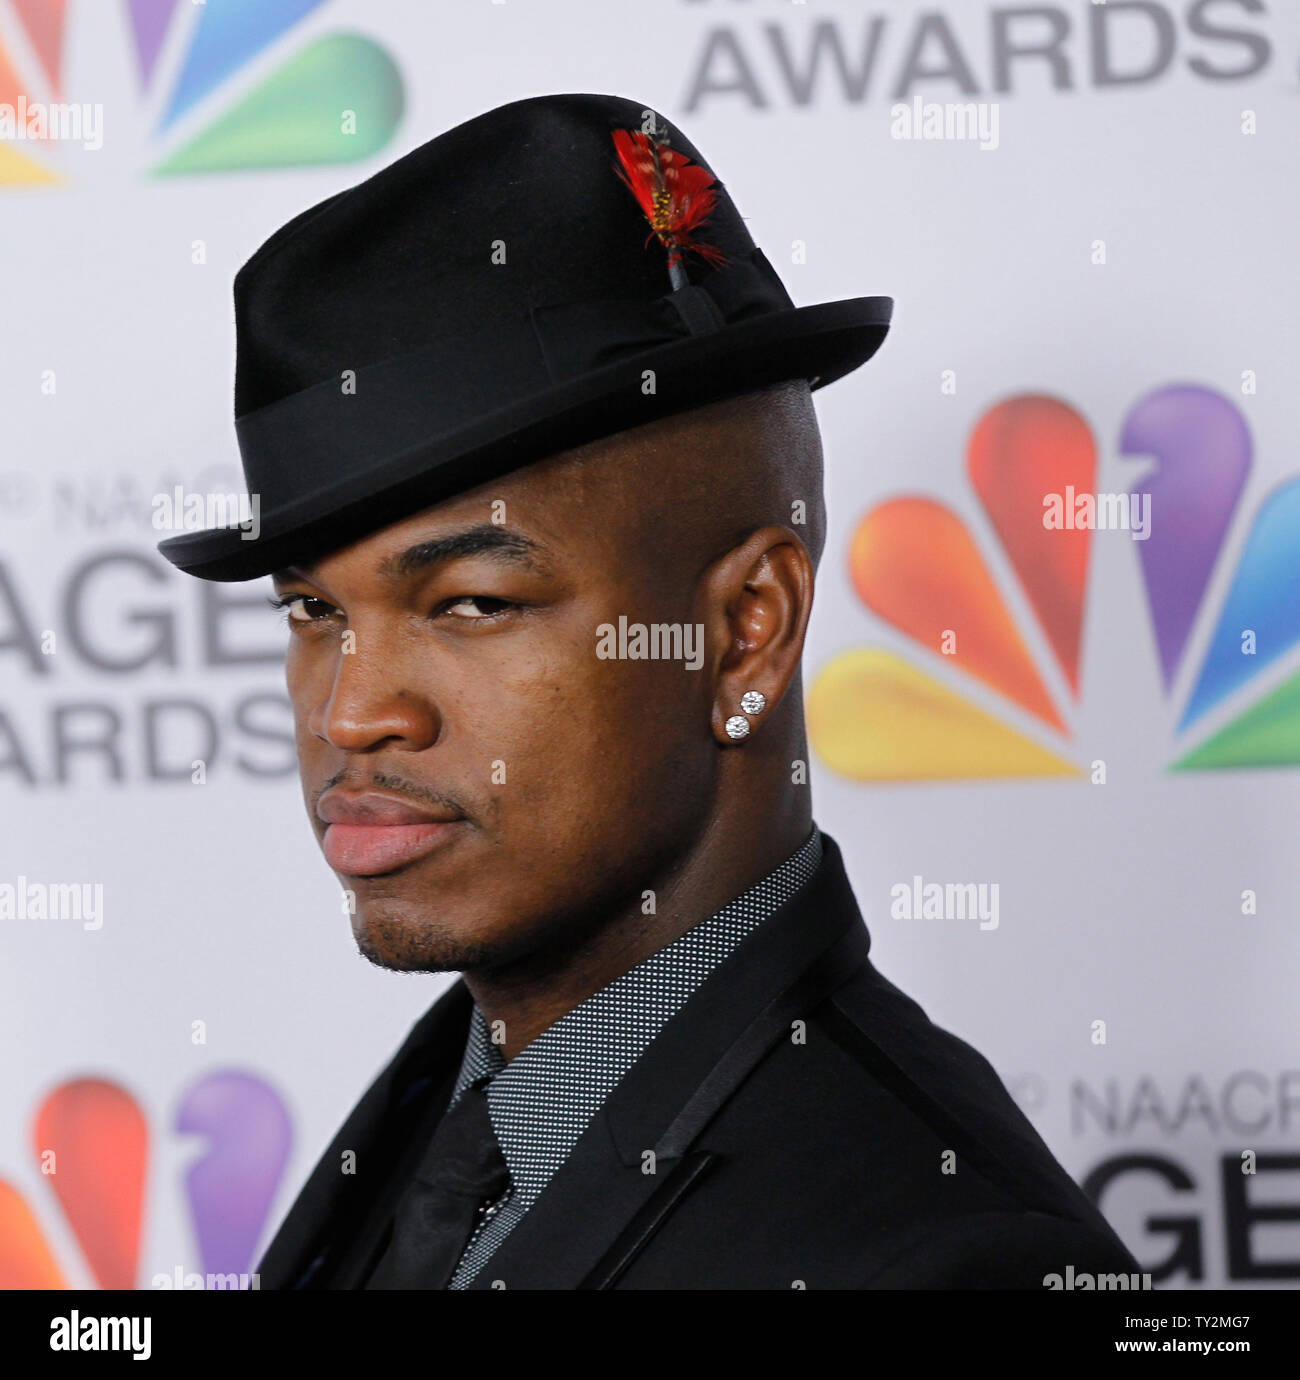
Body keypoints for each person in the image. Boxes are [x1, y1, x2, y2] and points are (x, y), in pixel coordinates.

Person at [159, 92, 1139, 1289]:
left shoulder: (948, 1259)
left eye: (472, 603)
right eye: (314, 610)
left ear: (743, 633)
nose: (350, 714)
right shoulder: (443, 1113)